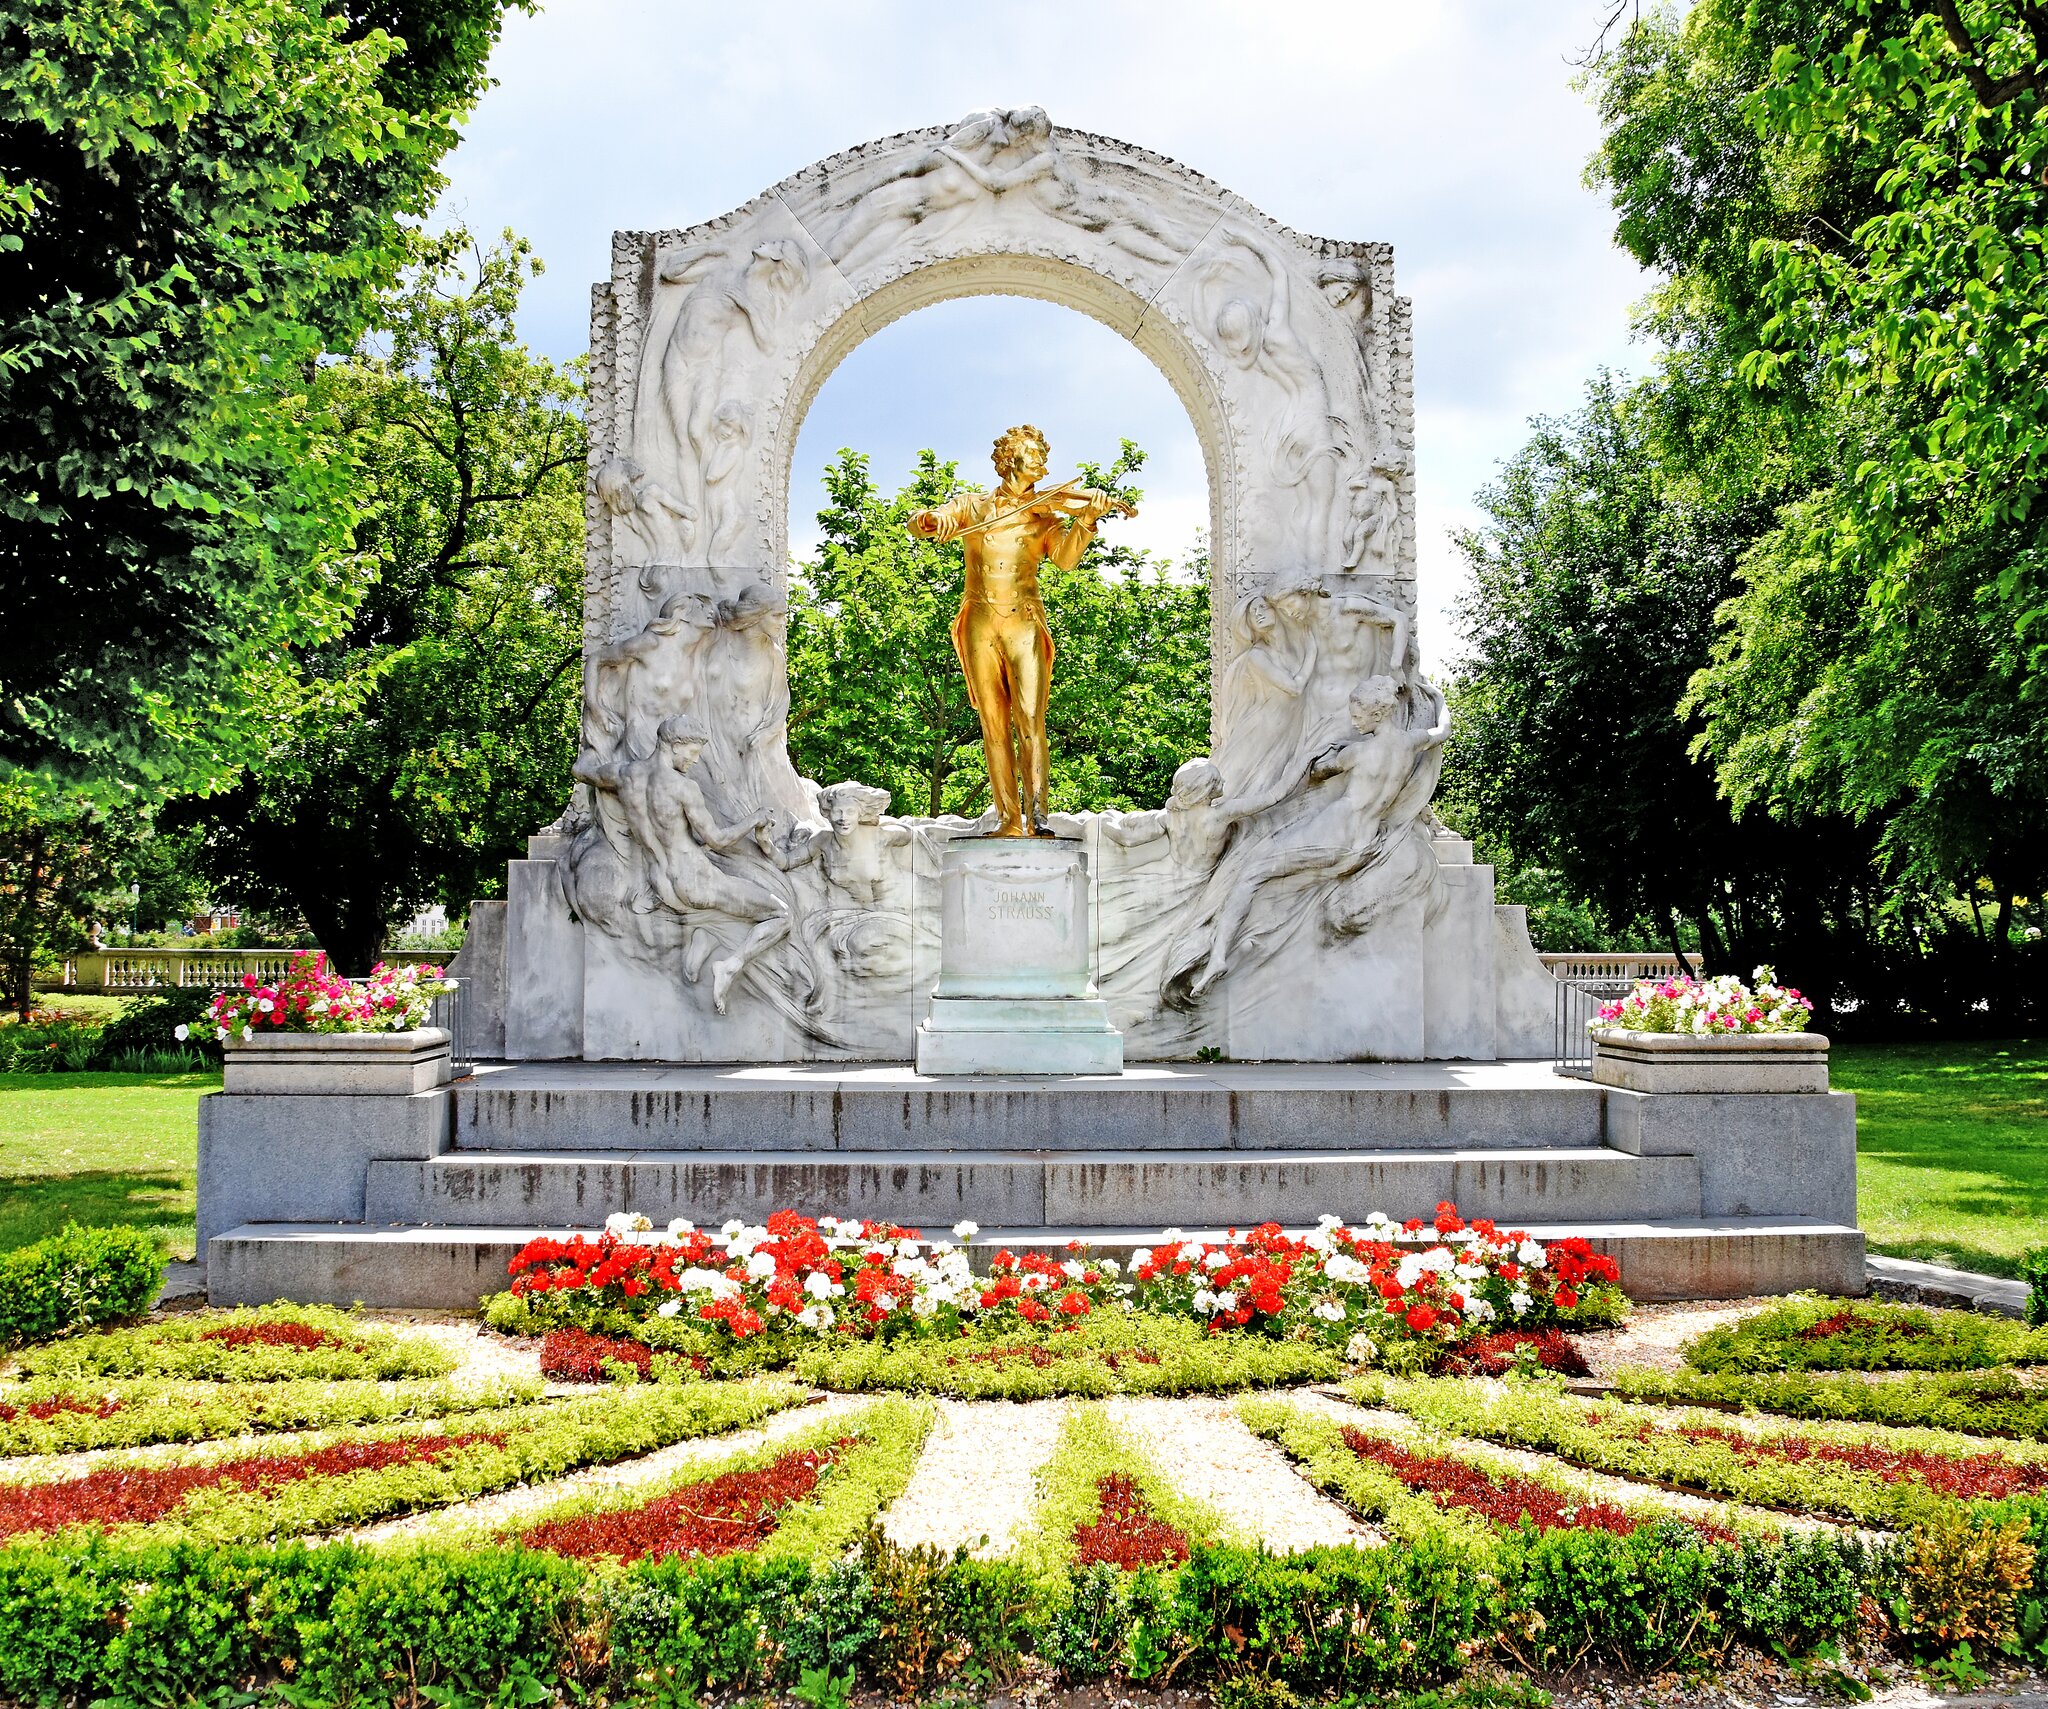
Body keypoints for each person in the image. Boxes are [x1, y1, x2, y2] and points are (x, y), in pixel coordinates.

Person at [907, 424, 1135, 837]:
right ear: (1009, 458)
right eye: (1032, 454)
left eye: (1042, 456)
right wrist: (926, 520)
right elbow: (924, 522)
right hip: (979, 621)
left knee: (1030, 719)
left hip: (1024, 622)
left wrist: (1086, 519)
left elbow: (1065, 561)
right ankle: (1009, 819)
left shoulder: (1044, 515)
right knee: (993, 723)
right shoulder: (972, 507)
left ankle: (1039, 816)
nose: (1041, 461)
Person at [572, 717, 795, 1015]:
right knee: (781, 913)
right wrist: (754, 818)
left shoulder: (624, 775)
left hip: (660, 884)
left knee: (723, 907)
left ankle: (705, 936)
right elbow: (717, 839)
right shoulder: (683, 788)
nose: (694, 759)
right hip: (694, 880)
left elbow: (582, 771)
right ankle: (729, 966)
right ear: (673, 745)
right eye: (692, 752)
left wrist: (594, 741)